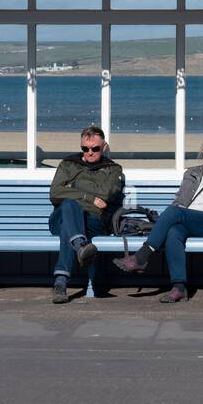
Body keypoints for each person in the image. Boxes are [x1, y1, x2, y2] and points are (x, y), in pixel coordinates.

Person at [114, 133, 203, 303]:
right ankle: (179, 287)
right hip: (190, 220)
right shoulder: (192, 173)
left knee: (175, 213)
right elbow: (180, 201)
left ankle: (141, 257)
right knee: (173, 232)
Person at [47, 125, 126, 304]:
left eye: (95, 149)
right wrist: (88, 196)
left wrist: (74, 186)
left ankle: (61, 282)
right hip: (59, 218)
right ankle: (81, 246)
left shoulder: (113, 169)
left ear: (104, 146)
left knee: (70, 225)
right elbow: (55, 193)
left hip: (93, 221)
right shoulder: (68, 164)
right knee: (69, 206)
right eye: (85, 148)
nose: (89, 153)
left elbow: (106, 193)